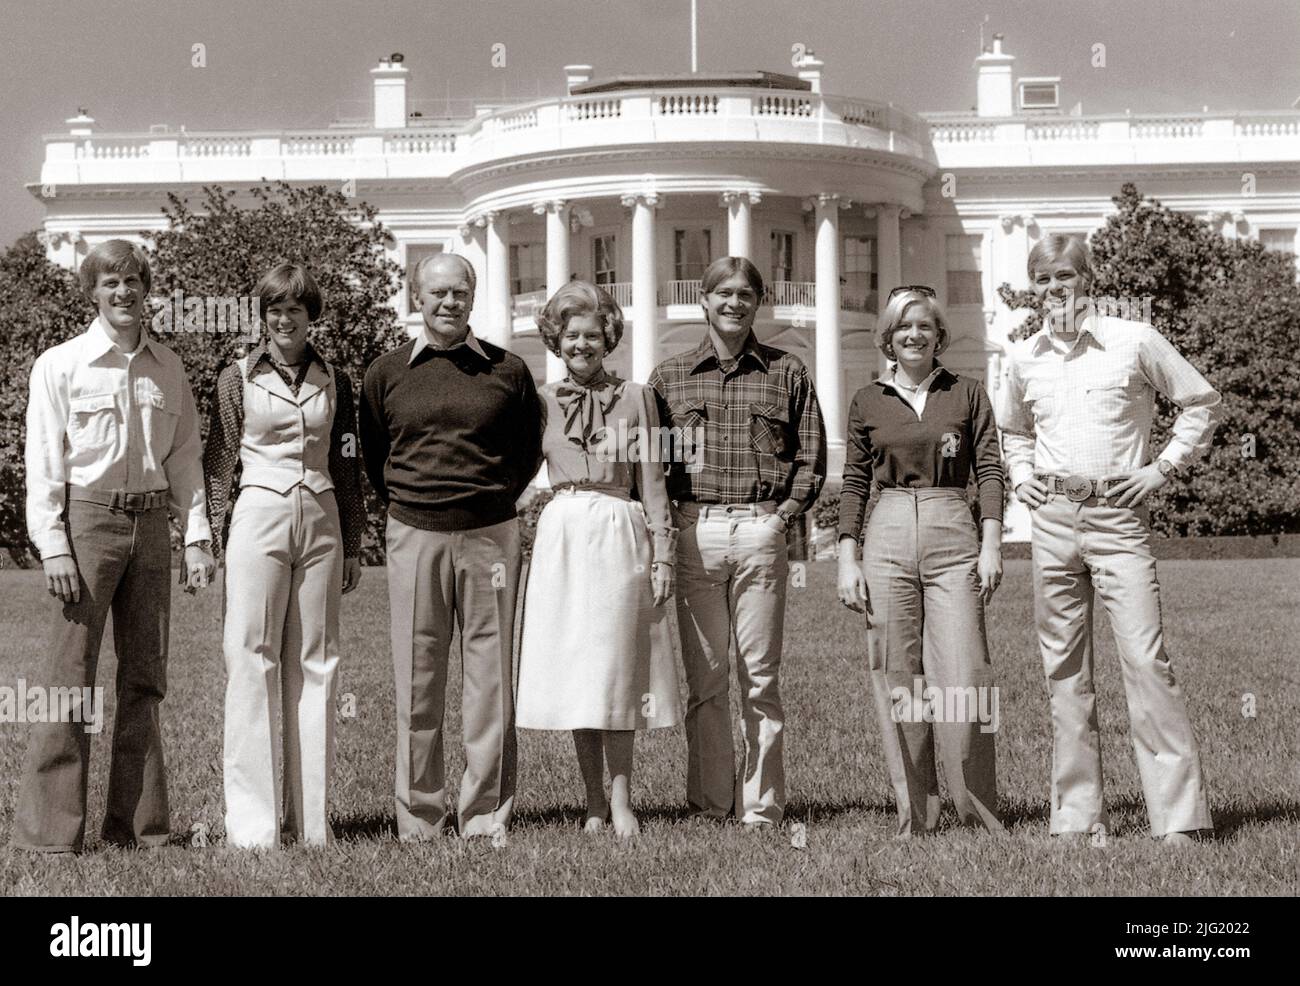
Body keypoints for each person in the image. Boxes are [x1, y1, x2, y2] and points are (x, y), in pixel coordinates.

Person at [997, 234, 1220, 846]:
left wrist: (1161, 469)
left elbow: (1200, 402)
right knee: (1064, 670)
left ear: (1087, 279)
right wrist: (1021, 478)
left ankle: (1178, 821)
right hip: (1052, 523)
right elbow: (1011, 430)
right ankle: (1075, 818)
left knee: (1147, 663)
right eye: (1041, 279)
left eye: (1064, 276)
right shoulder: (1023, 356)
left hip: (1118, 521)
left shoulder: (1134, 340)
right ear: (1033, 286)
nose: (1053, 289)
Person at [15, 238, 215, 853]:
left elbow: (185, 458)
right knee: (68, 677)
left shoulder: (168, 367)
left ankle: (139, 830)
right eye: (109, 283)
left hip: (153, 527)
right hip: (87, 524)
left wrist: (199, 537)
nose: (123, 292)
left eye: (131, 281)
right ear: (92, 293)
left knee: (145, 680)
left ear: (145, 288)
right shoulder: (61, 364)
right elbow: (44, 458)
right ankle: (50, 836)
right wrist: (53, 546)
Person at [359, 252, 542, 840]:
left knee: (491, 681)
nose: (449, 301)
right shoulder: (385, 374)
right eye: (436, 292)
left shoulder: (508, 370)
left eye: (460, 291)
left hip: (491, 536)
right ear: (418, 298)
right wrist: (414, 504)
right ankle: (419, 816)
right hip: (415, 534)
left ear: (473, 296)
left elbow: (526, 451)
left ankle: (484, 814)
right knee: (418, 679)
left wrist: (488, 502)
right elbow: (372, 454)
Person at [649, 256, 826, 830]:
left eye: (744, 294)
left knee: (760, 676)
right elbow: (649, 465)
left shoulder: (788, 371)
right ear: (704, 300)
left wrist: (783, 518)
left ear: (758, 302)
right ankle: (708, 802)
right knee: (706, 677)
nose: (733, 303)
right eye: (722, 293)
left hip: (759, 530)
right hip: (693, 532)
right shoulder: (667, 378)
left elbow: (812, 458)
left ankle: (761, 806)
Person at [203, 262, 364, 848]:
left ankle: (313, 823)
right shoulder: (234, 377)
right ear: (262, 314)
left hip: (320, 516)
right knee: (251, 657)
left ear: (310, 314)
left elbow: (346, 461)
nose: (284, 317)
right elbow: (219, 461)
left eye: (295, 307)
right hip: (258, 516)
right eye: (274, 308)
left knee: (317, 663)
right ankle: (253, 827)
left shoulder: (336, 379)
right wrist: (211, 538)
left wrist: (353, 535)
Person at [836, 286, 1005, 837]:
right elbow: (856, 482)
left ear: (939, 335)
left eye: (925, 326)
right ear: (888, 336)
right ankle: (916, 810)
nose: (914, 335)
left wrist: (992, 543)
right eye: (904, 327)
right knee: (897, 674)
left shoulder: (967, 393)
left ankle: (976, 810)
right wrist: (847, 556)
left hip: (951, 523)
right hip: (885, 531)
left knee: (965, 672)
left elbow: (991, 470)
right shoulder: (867, 400)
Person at [515, 282, 682, 838]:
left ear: (608, 336)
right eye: (571, 335)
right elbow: (514, 476)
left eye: (592, 334)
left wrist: (663, 555)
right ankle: (590, 801)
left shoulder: (637, 397)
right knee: (576, 671)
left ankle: (622, 801)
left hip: (620, 527)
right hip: (563, 530)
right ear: (556, 340)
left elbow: (654, 482)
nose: (582, 344)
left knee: (615, 669)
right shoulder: (539, 402)